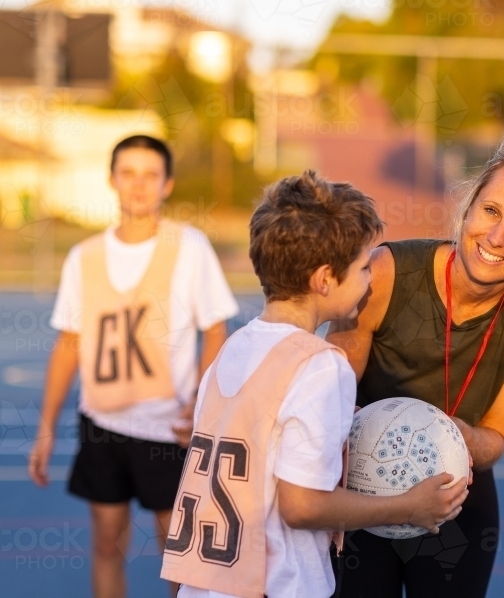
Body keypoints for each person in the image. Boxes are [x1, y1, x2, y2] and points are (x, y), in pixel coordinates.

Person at [160, 170, 468, 598]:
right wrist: (408, 506)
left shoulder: (231, 351)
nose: (371, 278)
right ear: (325, 279)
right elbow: (301, 505)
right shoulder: (322, 367)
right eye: (363, 266)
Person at [326, 131, 504, 597]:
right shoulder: (384, 274)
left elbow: (496, 438)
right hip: (357, 485)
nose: (498, 237)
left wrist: (451, 436)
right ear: (468, 207)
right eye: (492, 211)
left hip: (455, 499)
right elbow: (327, 403)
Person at [28, 134, 239, 598]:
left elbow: (216, 331)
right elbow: (69, 344)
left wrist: (201, 404)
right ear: (111, 179)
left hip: (167, 429)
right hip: (102, 424)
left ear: (167, 184)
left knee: (178, 554)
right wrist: (45, 427)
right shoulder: (84, 257)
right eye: (128, 173)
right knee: (107, 544)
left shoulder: (189, 247)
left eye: (150, 175)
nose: (138, 185)